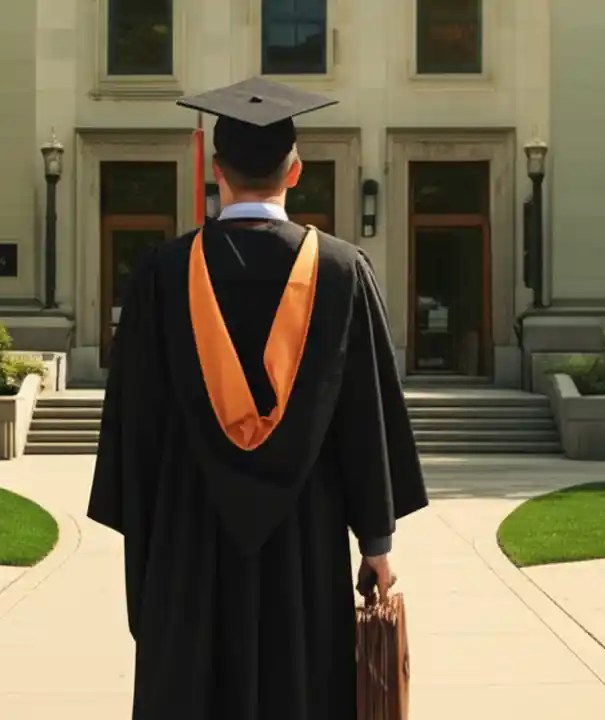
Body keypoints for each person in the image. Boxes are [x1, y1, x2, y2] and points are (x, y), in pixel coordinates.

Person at [87, 76, 428, 720]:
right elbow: (367, 418)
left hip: (191, 539)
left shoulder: (163, 274)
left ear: (217, 171)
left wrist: (153, 547)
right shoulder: (341, 270)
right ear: (295, 171)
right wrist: (376, 542)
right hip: (306, 538)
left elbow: (136, 427)